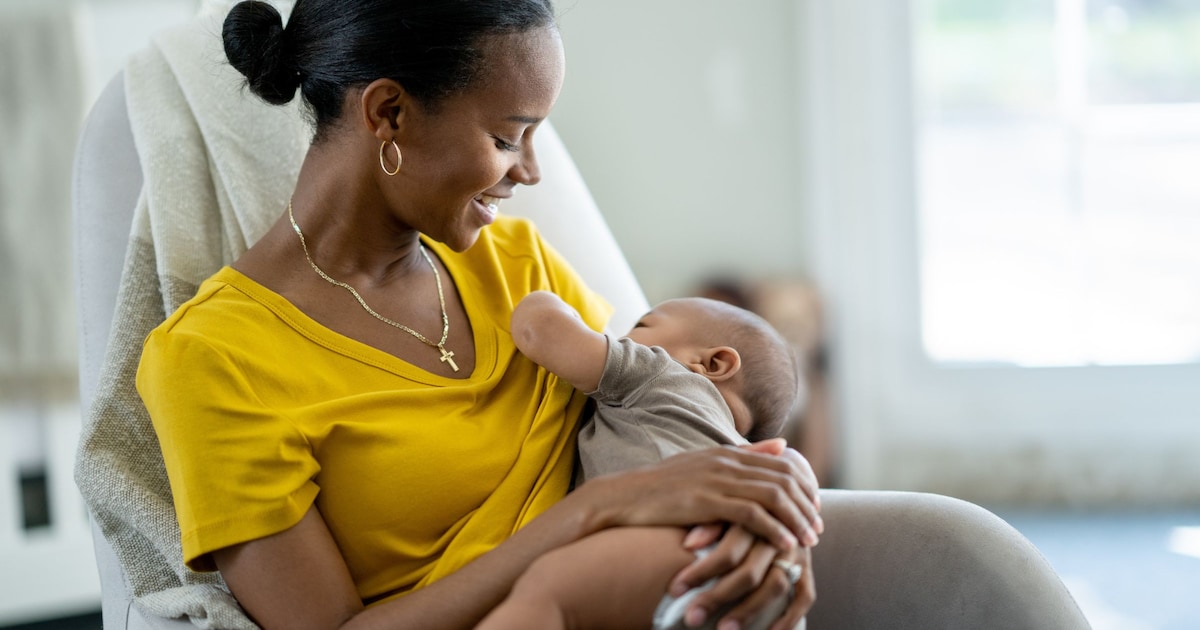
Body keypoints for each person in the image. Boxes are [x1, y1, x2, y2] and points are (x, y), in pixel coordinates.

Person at [135, 1, 821, 628]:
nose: (529, 173)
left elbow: (663, 425)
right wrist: (595, 514)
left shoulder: (522, 266)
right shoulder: (214, 358)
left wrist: (765, 521)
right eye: (507, 138)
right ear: (388, 114)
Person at [474, 292, 805, 629]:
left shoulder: (660, 374)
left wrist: (542, 300)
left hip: (674, 538)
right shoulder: (735, 446)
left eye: (642, 325)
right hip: (756, 571)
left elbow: (539, 330)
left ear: (711, 364)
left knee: (542, 592)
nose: (619, 338)